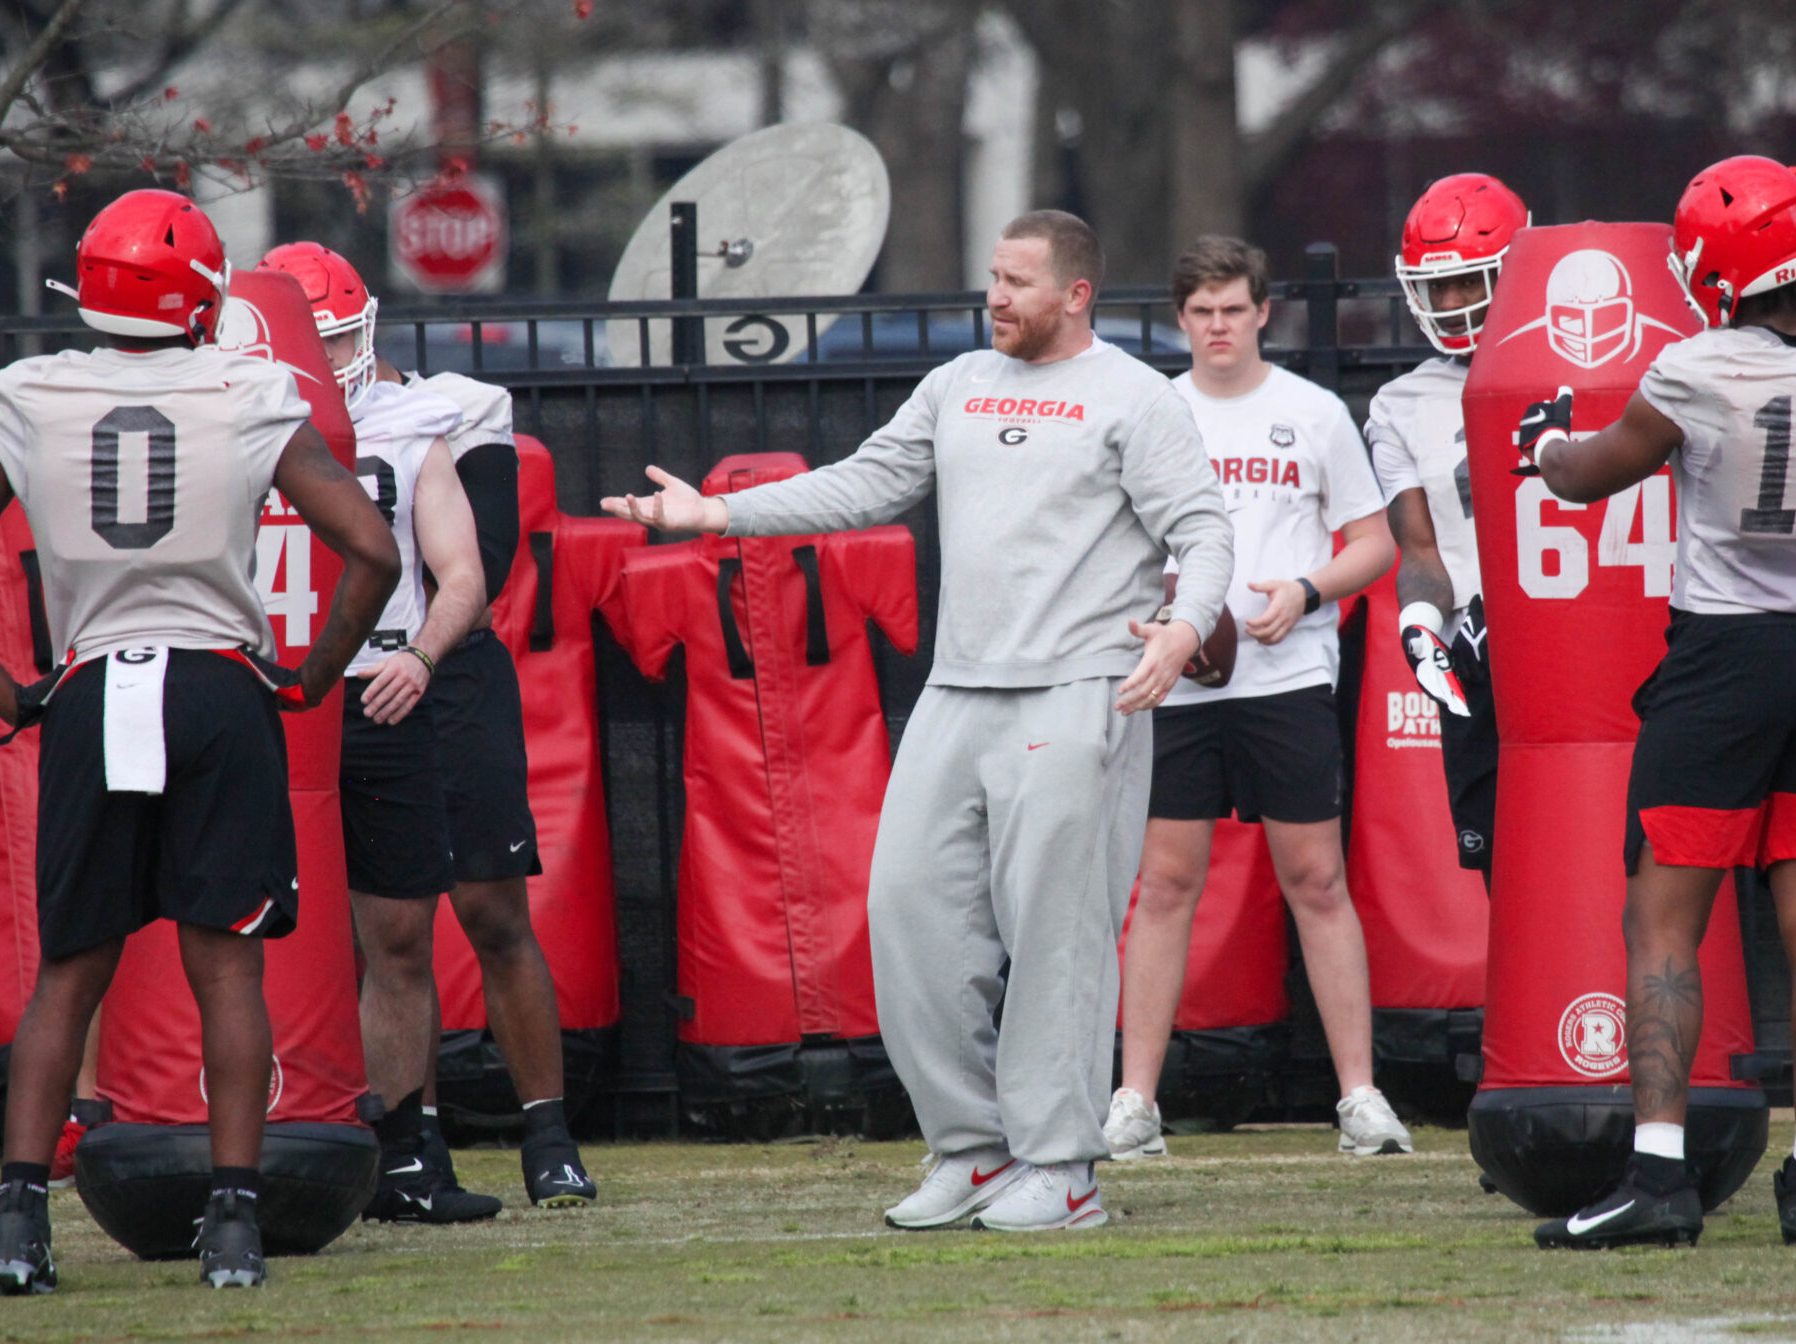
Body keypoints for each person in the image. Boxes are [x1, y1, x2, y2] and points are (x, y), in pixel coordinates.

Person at [602, 210, 1233, 1233]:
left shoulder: (1134, 398)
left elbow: (1203, 531)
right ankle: (973, 1153)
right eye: (991, 276)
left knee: (1056, 938)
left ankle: (1063, 1170)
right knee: (908, 918)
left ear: (1075, 295)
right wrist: (714, 518)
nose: (995, 296)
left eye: (1017, 281)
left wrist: (1181, 629)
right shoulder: (956, 385)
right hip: (957, 693)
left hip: (1080, 690)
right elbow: (866, 483)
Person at [0, 189, 399, 1292]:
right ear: (201, 296)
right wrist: (310, 676)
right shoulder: (249, 384)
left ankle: (18, 1225)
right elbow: (370, 549)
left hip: (89, 688)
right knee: (228, 971)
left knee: (69, 975)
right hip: (217, 686)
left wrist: (9, 693)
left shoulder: (33, 392)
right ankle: (230, 1226)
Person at [1518, 157, 1796, 1249]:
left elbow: (1592, 472)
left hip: (1726, 663)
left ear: (1715, 267)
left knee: (1661, 918)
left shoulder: (1696, 368)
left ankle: (1657, 1179)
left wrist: (1541, 445)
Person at [260, 243, 595, 1221]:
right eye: (303, 343)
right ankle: (415, 1152)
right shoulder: (246, 419)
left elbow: (477, 562)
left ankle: (548, 1132)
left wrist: (417, 655)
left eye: (334, 341)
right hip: (329, 687)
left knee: (492, 910)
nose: (321, 362)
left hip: (441, 675)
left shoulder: (447, 411)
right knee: (385, 934)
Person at [1104, 236, 1408, 1164]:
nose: (1217, 326)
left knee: (1316, 880)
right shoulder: (1151, 412)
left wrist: (1306, 592)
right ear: (1179, 319)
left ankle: (1359, 1097)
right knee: (1162, 885)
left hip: (1288, 676)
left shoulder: (1313, 413)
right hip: (1178, 678)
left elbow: (1376, 543)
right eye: (1200, 312)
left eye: (1233, 308)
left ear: (1263, 311)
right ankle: (1134, 1102)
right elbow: (1114, 543)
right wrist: (1155, 616)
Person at [1368, 173, 1530, 891]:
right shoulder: (1400, 405)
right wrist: (1419, 623)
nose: (1457, 304)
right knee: (1505, 864)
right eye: (1443, 289)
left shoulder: (1568, 364)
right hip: (1476, 650)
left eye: (1471, 283)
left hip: (1573, 641)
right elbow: (1422, 551)